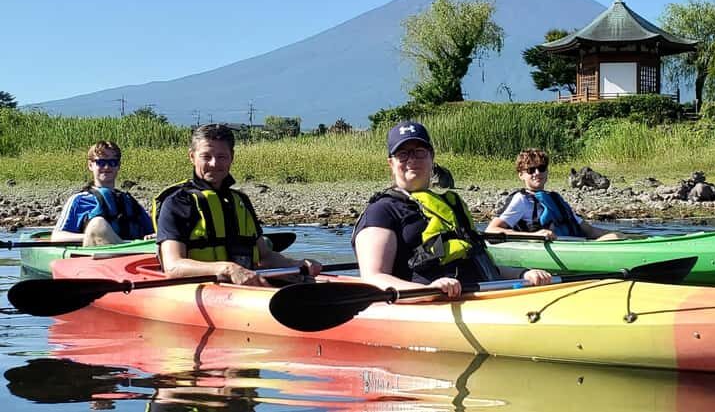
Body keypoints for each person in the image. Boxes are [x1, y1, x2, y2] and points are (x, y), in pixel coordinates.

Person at [351, 121, 552, 297]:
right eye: (403, 154)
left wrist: (522, 274)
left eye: (420, 152)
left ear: (431, 157)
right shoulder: (381, 212)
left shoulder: (450, 206)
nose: (412, 160)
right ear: (391, 163)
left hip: (479, 294)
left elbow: (479, 259)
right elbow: (373, 278)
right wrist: (427, 291)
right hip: (430, 302)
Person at [154, 124, 321, 286]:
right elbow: (173, 266)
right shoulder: (177, 202)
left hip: (243, 289)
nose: (214, 163)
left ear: (231, 158)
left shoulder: (240, 200)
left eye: (222, 157)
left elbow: (265, 256)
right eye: (206, 157)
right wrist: (228, 269)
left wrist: (296, 264)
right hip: (203, 289)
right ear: (192, 156)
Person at [486, 148, 626, 241]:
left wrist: (623, 237)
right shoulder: (521, 199)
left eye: (541, 168)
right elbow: (491, 230)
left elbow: (588, 230)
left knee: (616, 236)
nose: (537, 173)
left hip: (574, 245)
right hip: (545, 249)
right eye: (531, 170)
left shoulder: (555, 198)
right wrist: (534, 236)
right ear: (521, 175)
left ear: (546, 171)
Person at [52, 141, 155, 246]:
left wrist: (153, 236)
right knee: (98, 224)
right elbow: (57, 236)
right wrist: (93, 235)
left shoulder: (130, 202)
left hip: (134, 255)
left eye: (112, 163)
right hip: (97, 255)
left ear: (118, 166)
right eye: (101, 162)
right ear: (90, 165)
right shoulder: (79, 200)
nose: (107, 167)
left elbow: (154, 233)